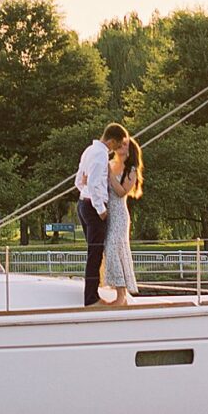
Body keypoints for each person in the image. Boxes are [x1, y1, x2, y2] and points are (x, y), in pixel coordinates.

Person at [74, 123, 130, 307]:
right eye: (117, 144)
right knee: (95, 253)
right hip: (93, 208)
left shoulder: (88, 151)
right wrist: (102, 211)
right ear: (111, 141)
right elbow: (94, 185)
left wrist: (86, 193)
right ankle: (91, 299)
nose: (117, 148)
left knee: (94, 252)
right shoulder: (99, 154)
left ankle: (92, 295)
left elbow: (79, 182)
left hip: (83, 203)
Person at [98, 135, 145, 305]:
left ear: (129, 149)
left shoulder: (130, 169)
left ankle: (121, 294)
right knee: (107, 249)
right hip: (106, 213)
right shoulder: (109, 163)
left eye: (124, 144)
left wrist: (110, 176)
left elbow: (122, 191)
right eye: (120, 143)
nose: (120, 146)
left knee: (114, 249)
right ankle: (118, 292)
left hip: (119, 215)